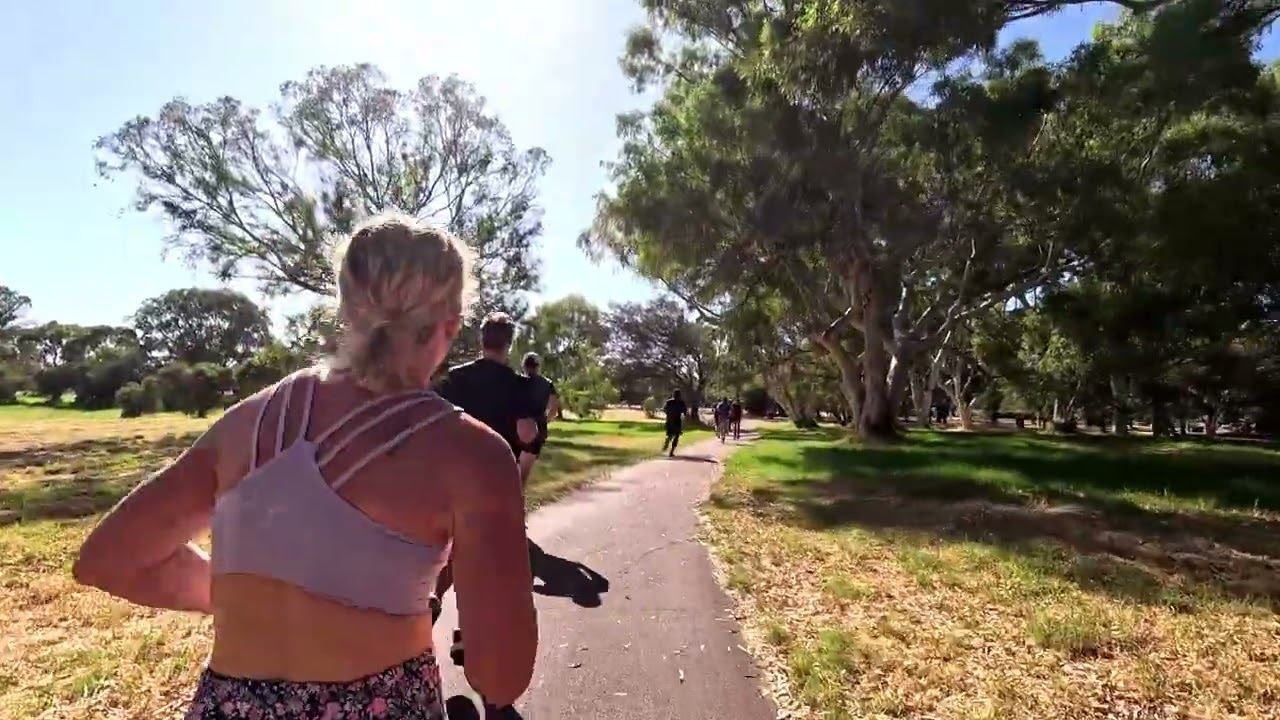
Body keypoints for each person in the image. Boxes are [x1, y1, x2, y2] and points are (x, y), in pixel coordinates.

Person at [71, 213, 537, 719]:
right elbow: (500, 676)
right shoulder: (472, 454)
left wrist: (243, 594)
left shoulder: (248, 421)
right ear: (450, 326)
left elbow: (108, 559)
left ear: (346, 307)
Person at [432, 312, 540, 679]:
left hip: (450, 477)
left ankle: (429, 602)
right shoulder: (518, 385)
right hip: (494, 482)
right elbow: (526, 433)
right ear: (508, 343)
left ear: (482, 339)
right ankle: (464, 634)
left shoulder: (455, 378)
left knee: (449, 550)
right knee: (481, 561)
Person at [519, 352, 558, 486]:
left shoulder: (517, 381)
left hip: (517, 427)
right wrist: (543, 421)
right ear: (538, 366)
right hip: (538, 429)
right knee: (523, 474)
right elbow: (553, 410)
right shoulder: (548, 384)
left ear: (524, 366)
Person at [661, 389, 688, 457]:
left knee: (669, 434)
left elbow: (664, 409)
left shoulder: (669, 402)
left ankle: (667, 443)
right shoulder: (681, 402)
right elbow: (684, 412)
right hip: (677, 421)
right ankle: (671, 451)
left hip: (669, 420)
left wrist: (668, 414)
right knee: (676, 436)